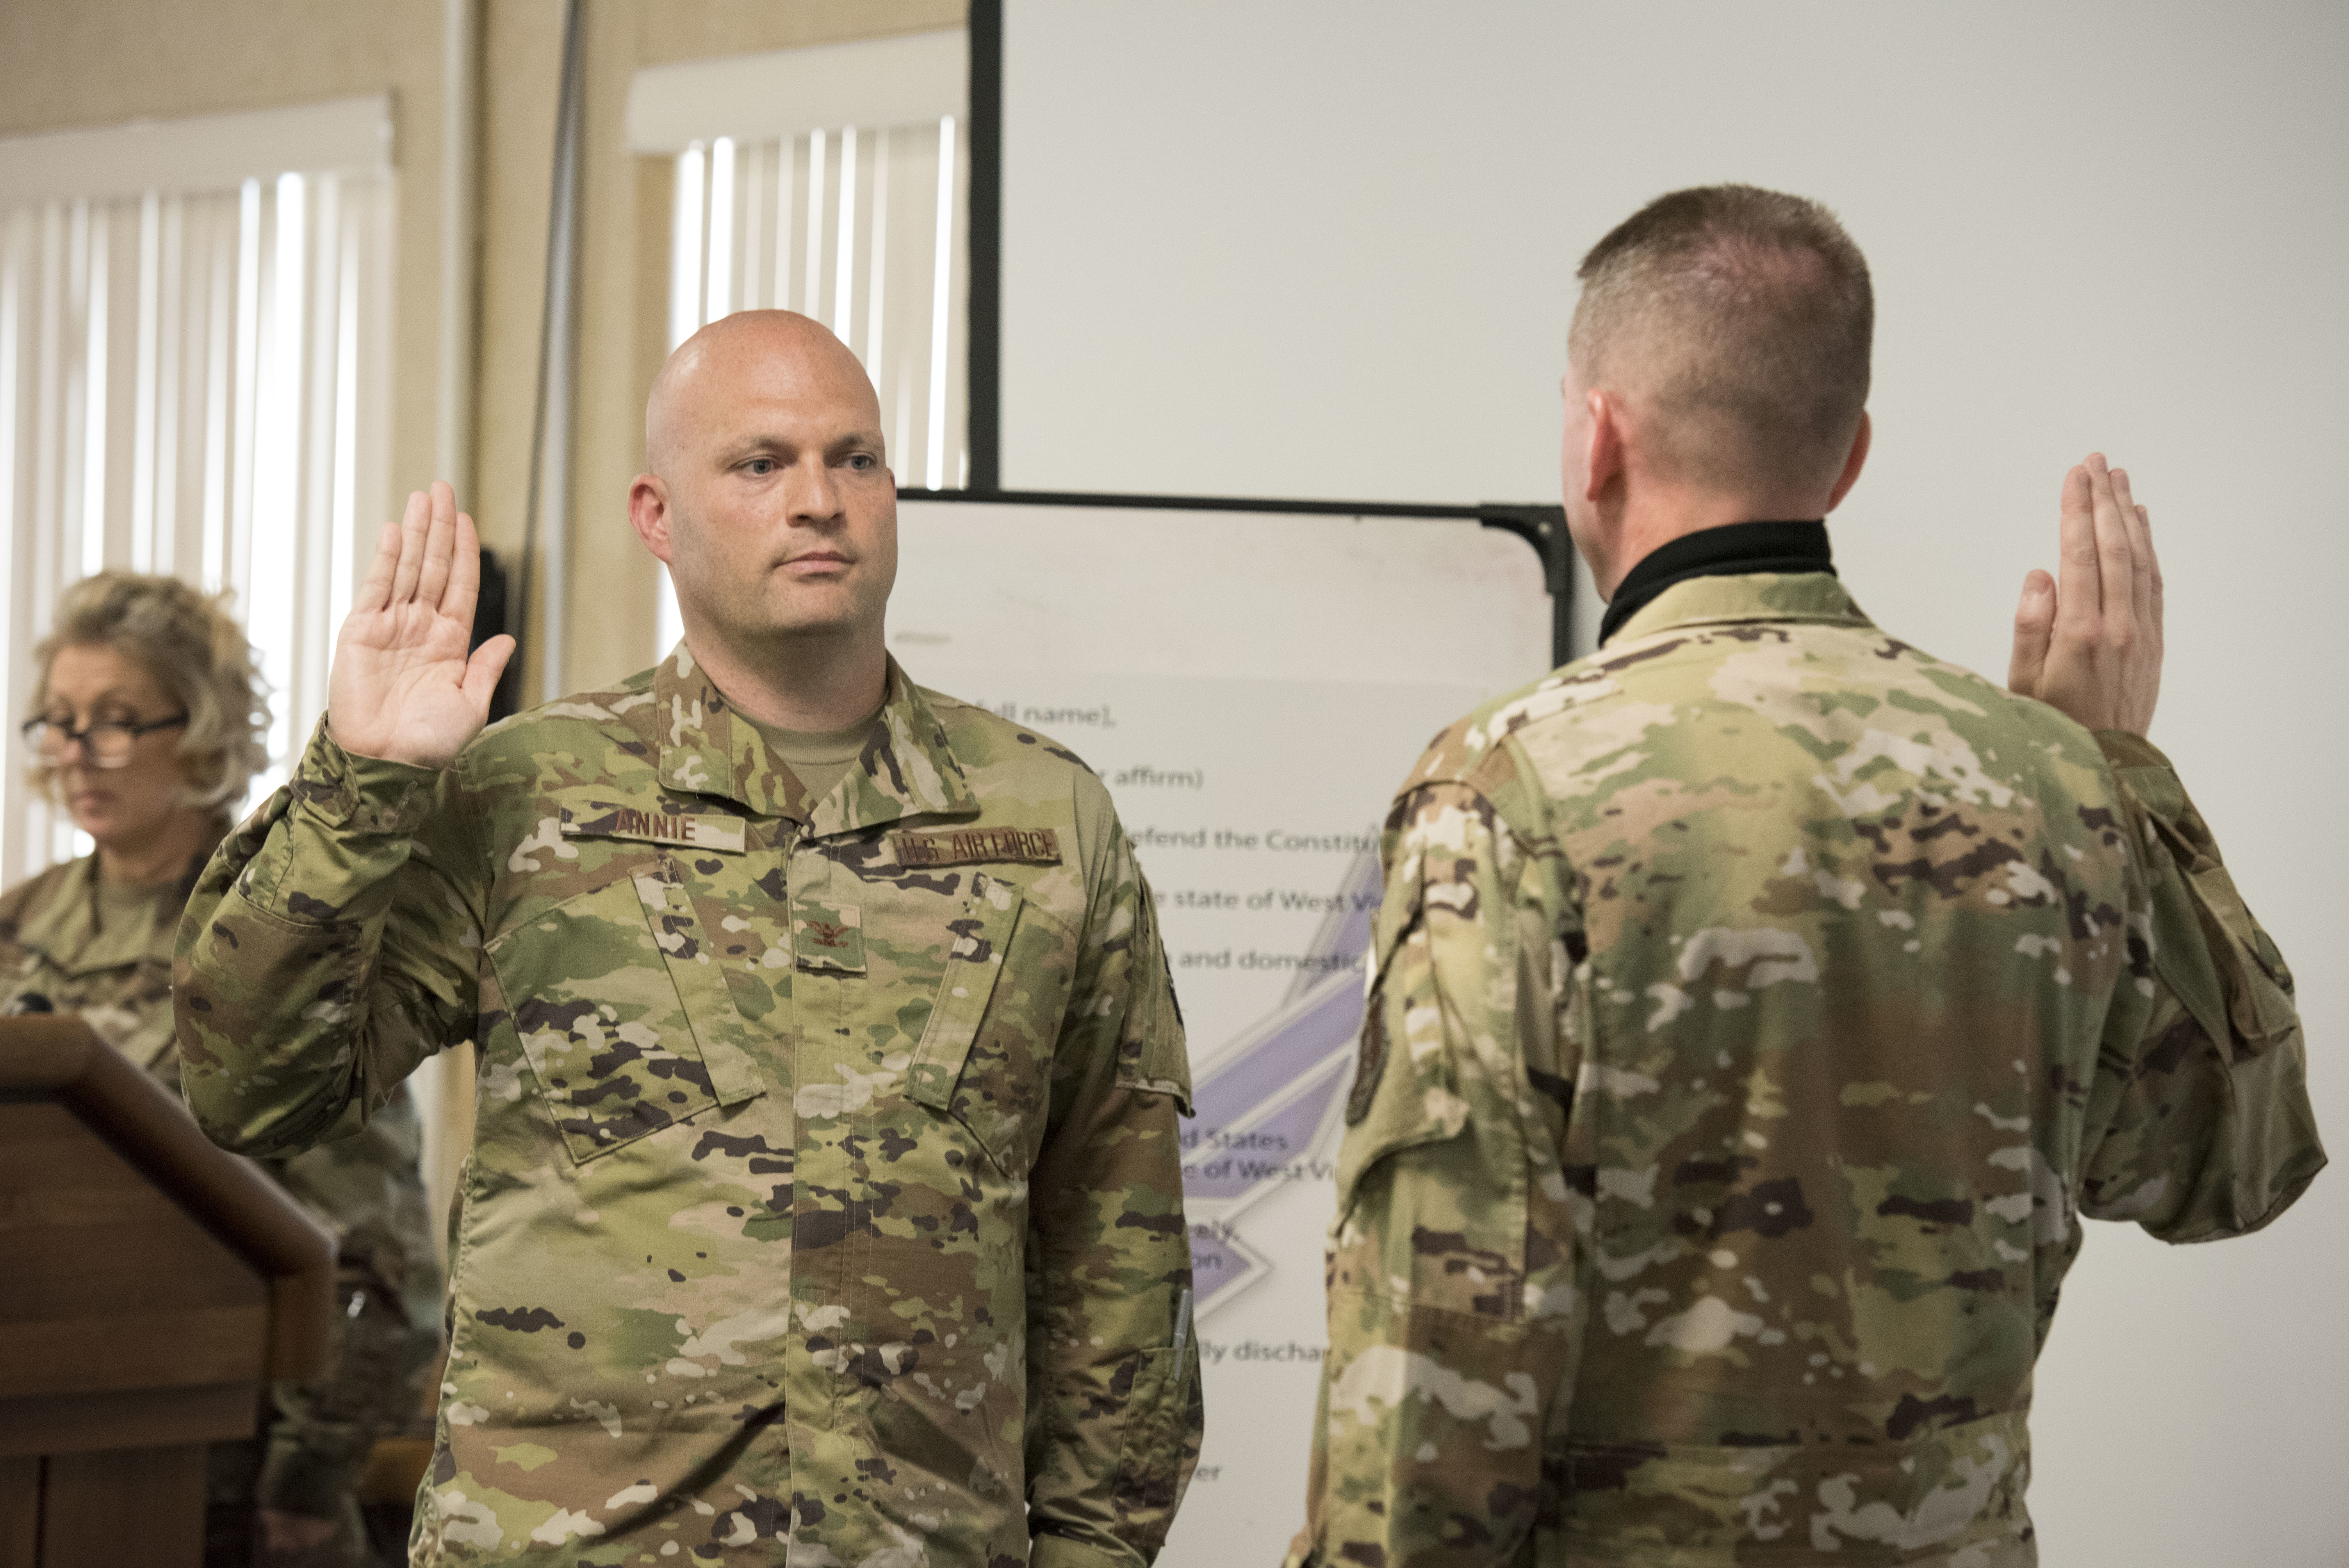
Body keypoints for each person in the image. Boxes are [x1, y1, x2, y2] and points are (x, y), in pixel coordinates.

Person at [1285, 185, 2322, 1566]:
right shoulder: (2050, 784)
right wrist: (2117, 772)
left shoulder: (1507, 790)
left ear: (1597, 440)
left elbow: (1433, 1367)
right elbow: (2230, 1165)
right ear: (1847, 460)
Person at [175, 309, 1202, 1568]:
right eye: (762, 464)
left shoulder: (1043, 819)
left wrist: (1097, 1553)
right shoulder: (523, 794)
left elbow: (1116, 1239)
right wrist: (364, 780)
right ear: (657, 515)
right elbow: (250, 1089)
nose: (820, 500)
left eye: (856, 460)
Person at [0, 570, 439, 1568]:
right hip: (41, 1439)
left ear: (199, 732)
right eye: (59, 722)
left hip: (227, 1474)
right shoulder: (17, 925)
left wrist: (307, 1479)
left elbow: (376, 1258)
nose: (77, 752)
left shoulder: (271, 936)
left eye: (114, 721)